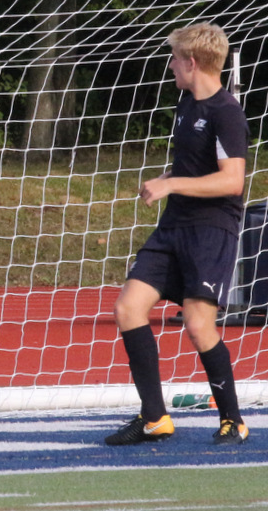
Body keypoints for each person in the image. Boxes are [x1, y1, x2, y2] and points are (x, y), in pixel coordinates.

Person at [106, 22, 250, 446]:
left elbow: (232, 182)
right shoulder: (186, 104)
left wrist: (170, 185)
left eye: (173, 59)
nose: (170, 66)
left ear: (191, 63)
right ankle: (155, 419)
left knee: (198, 323)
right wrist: (167, 178)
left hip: (211, 229)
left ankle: (233, 421)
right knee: (128, 308)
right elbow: (194, 170)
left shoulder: (227, 113)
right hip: (174, 226)